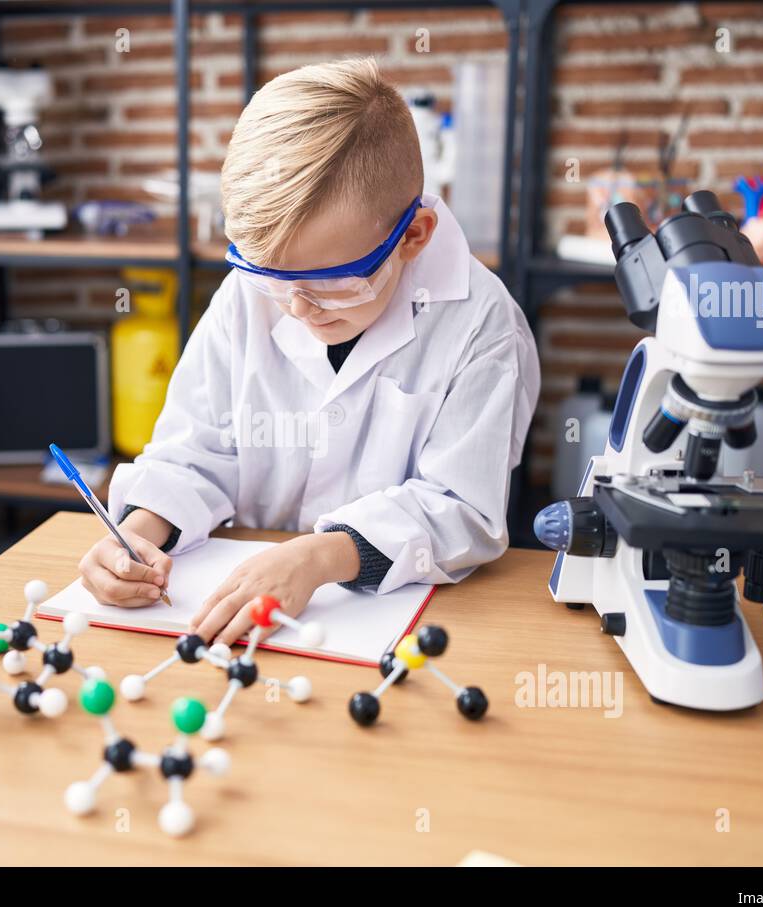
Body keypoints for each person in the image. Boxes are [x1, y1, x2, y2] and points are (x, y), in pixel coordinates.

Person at [79, 58, 539, 645]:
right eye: (273, 280)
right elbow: (193, 453)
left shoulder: (482, 324)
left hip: (392, 627)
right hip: (241, 620)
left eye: (331, 285)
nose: (296, 308)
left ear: (414, 237)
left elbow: (462, 510)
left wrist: (319, 558)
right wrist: (141, 532)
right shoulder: (248, 293)